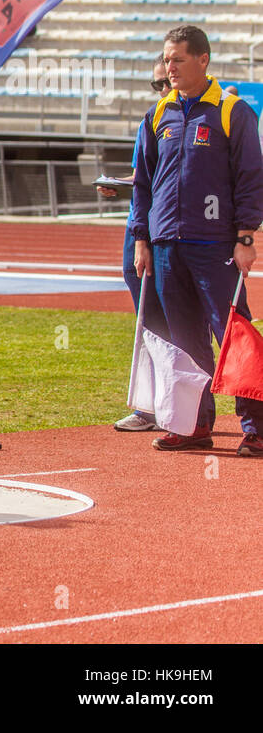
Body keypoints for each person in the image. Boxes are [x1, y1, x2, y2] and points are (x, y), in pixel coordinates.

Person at [131, 25, 263, 456]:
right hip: (167, 245)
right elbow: (142, 185)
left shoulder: (232, 111)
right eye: (167, 59)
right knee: (184, 342)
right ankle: (192, 426)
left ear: (203, 60)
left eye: (178, 59)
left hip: (215, 246)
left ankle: (256, 427)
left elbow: (249, 177)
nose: (170, 67)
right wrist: (141, 238)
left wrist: (245, 235)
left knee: (233, 335)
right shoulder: (156, 115)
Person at [105, 58, 172, 431]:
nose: (163, 89)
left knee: (177, 323)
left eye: (166, 82)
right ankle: (149, 406)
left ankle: (181, 407)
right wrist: (120, 184)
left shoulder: (197, 119)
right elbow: (144, 177)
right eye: (156, 84)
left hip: (171, 232)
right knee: (147, 321)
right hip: (140, 227)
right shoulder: (152, 119)